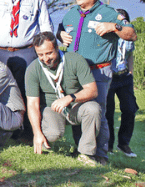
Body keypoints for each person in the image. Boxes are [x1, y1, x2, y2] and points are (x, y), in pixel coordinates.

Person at [57, 0, 137, 162]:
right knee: (77, 108)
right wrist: (59, 34)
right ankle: (81, 149)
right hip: (74, 72)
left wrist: (114, 27)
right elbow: (61, 28)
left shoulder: (108, 13)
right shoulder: (71, 13)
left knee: (97, 112)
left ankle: (100, 154)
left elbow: (132, 34)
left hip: (98, 71)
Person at [25, 32, 103, 166]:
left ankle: (86, 153)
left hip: (76, 106)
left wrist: (71, 97)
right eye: (40, 55)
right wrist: (37, 133)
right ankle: (45, 142)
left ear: (57, 47)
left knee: (93, 109)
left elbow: (92, 90)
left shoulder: (75, 59)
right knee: (53, 134)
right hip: (52, 109)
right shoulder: (33, 69)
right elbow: (32, 104)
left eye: (49, 53)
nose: (45, 59)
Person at [108, 9, 137, 157]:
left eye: (124, 20)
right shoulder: (108, 35)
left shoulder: (129, 36)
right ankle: (108, 145)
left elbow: (130, 54)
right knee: (108, 112)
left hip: (124, 77)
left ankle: (124, 144)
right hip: (109, 77)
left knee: (130, 109)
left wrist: (130, 72)